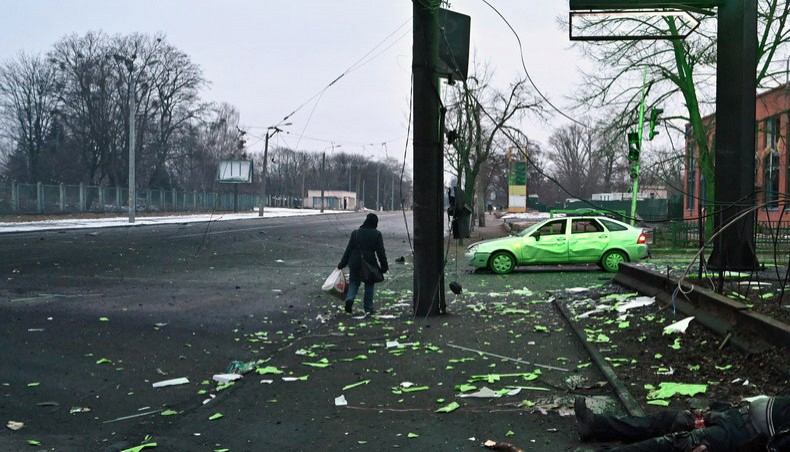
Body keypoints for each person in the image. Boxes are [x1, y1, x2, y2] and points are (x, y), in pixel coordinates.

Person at [574, 396, 790, 451]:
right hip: (736, 416)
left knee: (675, 443)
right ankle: (596, 425)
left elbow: (773, 446)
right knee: (672, 419)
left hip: (742, 435)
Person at [337, 213, 388, 314]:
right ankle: (368, 307)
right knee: (369, 284)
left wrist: (342, 263)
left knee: (354, 282)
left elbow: (348, 250)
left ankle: (350, 299)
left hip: (355, 262)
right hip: (369, 263)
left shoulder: (355, 233)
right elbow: (380, 252)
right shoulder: (376, 234)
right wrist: (384, 266)